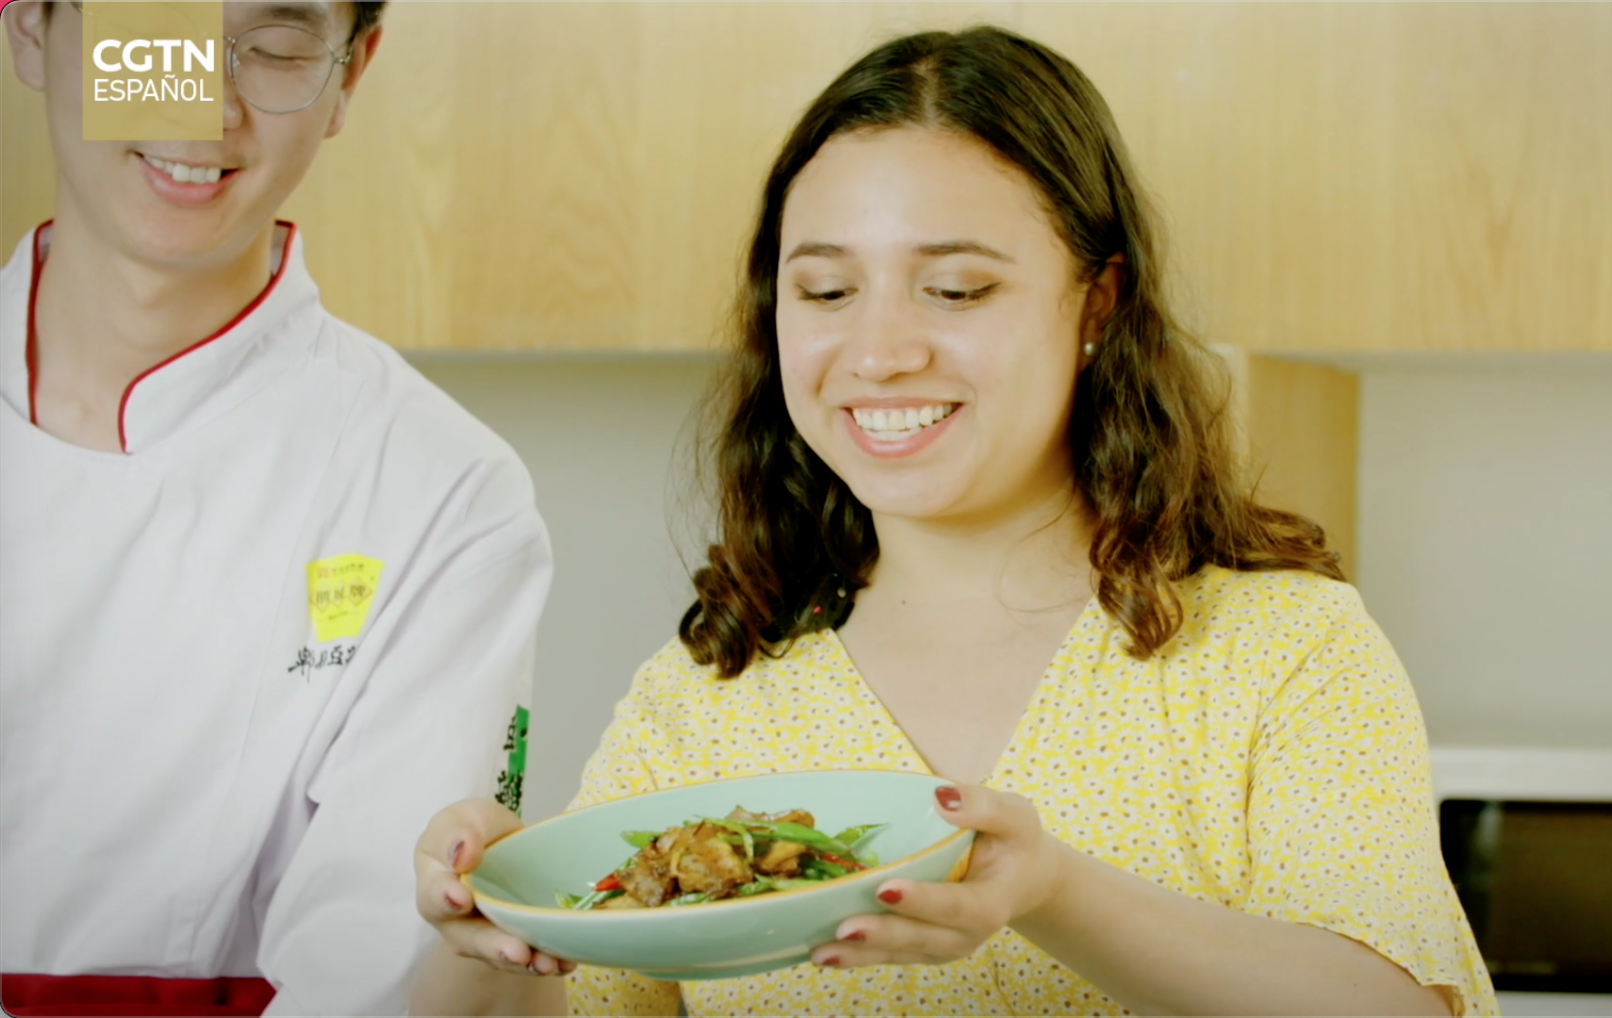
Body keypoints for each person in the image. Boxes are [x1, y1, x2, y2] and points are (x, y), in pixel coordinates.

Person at [412, 25, 1497, 1018]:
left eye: (957, 291)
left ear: (1097, 304)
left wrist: (1052, 890)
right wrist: (492, 928)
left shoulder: (1282, 650)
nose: (879, 352)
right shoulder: (706, 701)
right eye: (827, 292)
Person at [0, 2, 553, 1015]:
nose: (206, 104)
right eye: (150, 28)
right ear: (31, 27)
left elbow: (371, 972)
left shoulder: (444, 494)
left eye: (278, 45)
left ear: (351, 73)